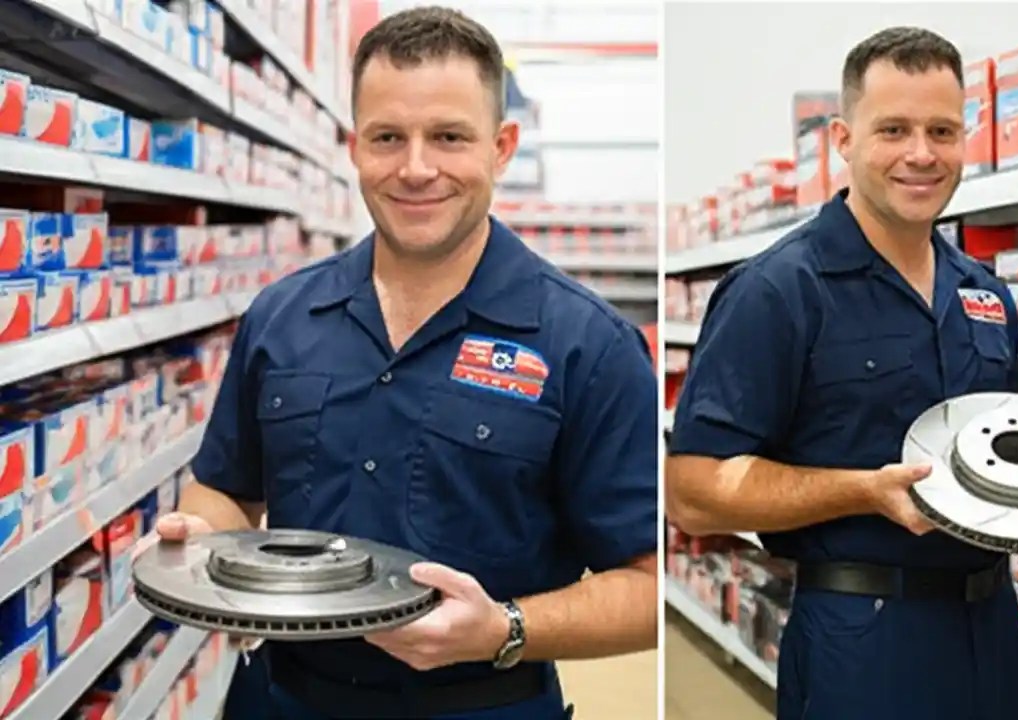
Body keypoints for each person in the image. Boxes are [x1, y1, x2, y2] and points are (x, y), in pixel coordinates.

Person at [152, 6, 659, 719]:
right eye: (389, 137)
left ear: (502, 146)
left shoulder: (590, 345)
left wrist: (504, 629)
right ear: (356, 146)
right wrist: (204, 544)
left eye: (449, 137)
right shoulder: (281, 316)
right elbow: (225, 491)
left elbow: (646, 585)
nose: (416, 169)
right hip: (280, 700)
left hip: (483, 703)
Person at [665, 27, 1018, 720]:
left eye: (942, 130)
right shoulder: (778, 290)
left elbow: (1001, 453)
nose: (922, 154)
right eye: (893, 129)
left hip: (993, 626)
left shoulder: (984, 294)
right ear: (843, 139)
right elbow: (691, 494)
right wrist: (865, 493)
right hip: (862, 634)